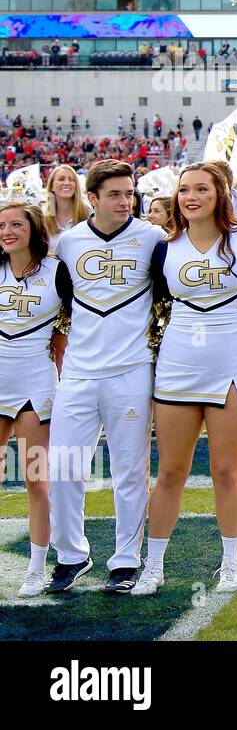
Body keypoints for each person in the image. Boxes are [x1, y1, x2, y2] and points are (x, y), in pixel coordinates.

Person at [134, 163, 237, 596]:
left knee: (225, 469)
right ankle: (152, 565)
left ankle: (231, 562)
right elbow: (155, 297)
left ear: (220, 194)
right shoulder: (164, 246)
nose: (190, 197)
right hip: (179, 362)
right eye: (183, 190)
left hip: (231, 361)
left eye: (201, 189)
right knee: (171, 471)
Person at [45, 160, 164, 594]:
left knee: (129, 471)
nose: (124, 201)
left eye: (129, 193)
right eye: (114, 194)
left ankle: (125, 561)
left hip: (131, 371)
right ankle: (71, 555)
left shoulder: (153, 238)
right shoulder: (69, 242)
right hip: (77, 372)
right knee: (63, 466)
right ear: (91, 198)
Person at [0, 202, 68, 596]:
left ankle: (37, 567)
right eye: (2, 226)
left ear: (33, 229)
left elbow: (74, 323)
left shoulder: (56, 271)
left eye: (15, 225)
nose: (7, 231)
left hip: (36, 385)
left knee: (35, 481)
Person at [42, 164, 90, 255]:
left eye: (72, 180)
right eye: (61, 179)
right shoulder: (41, 215)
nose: (67, 183)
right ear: (52, 186)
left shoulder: (89, 213)